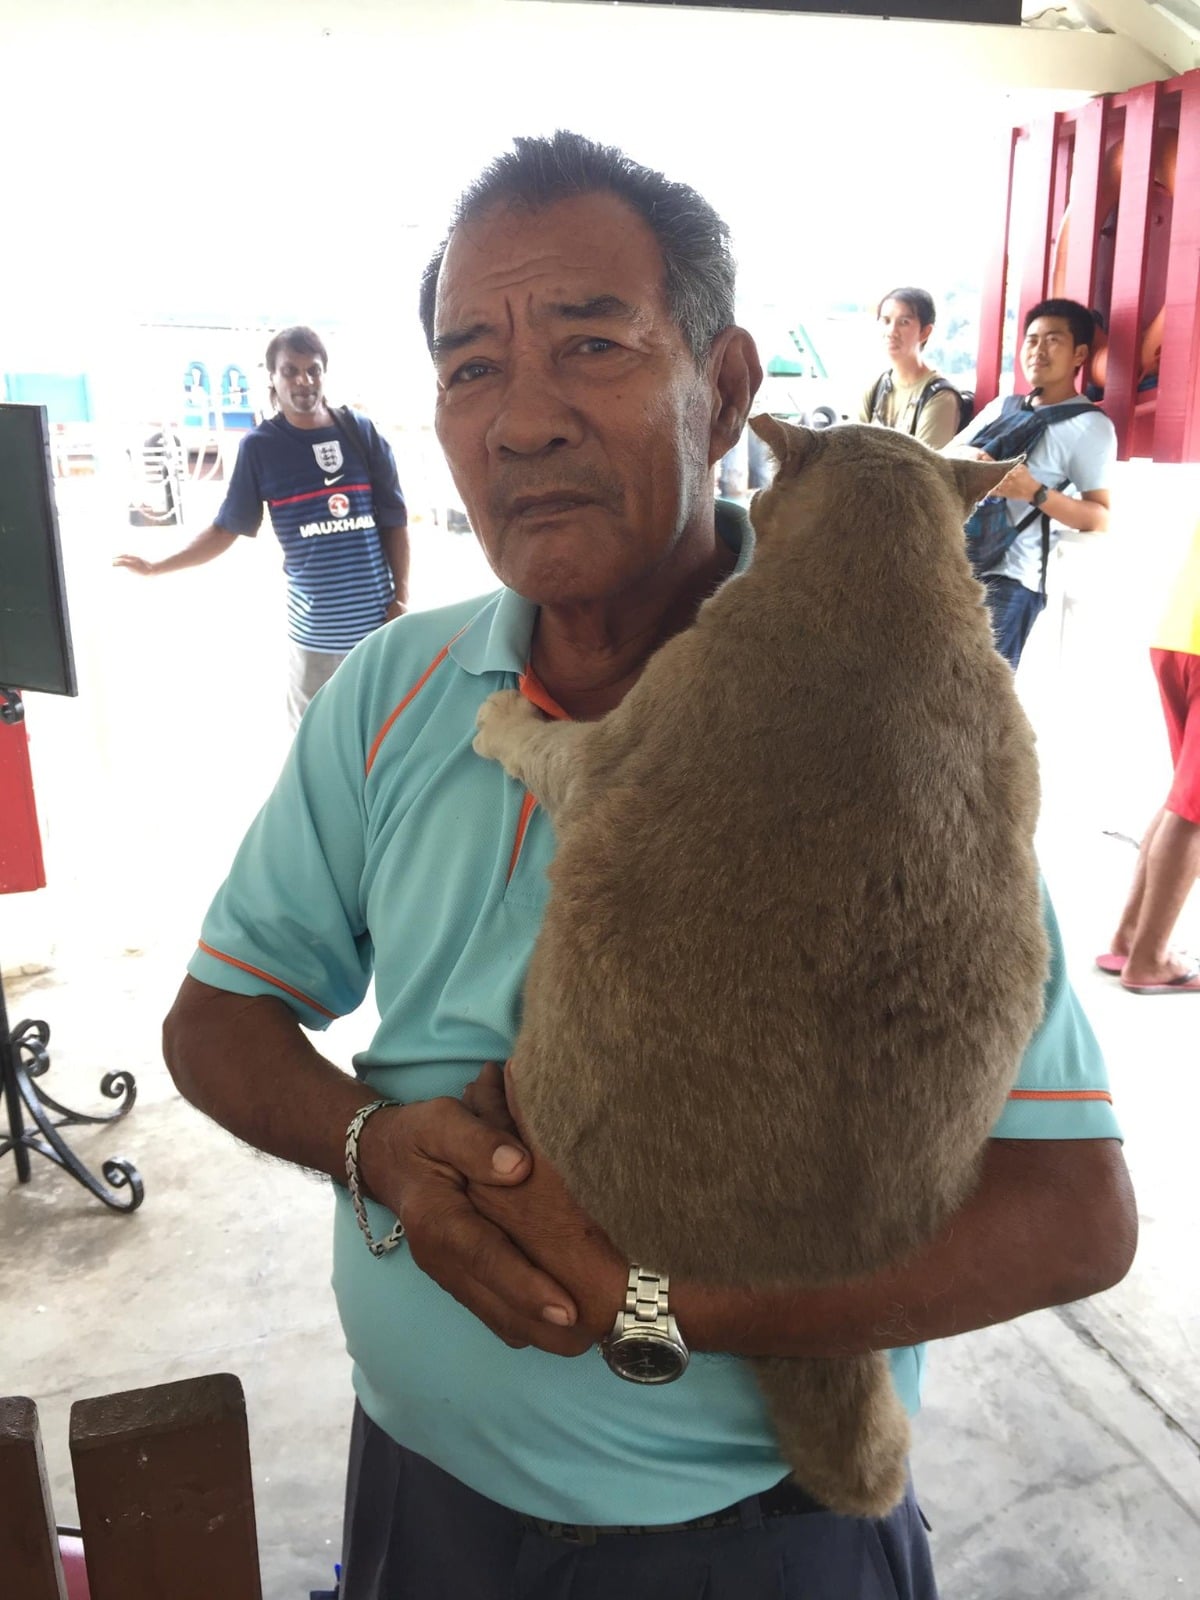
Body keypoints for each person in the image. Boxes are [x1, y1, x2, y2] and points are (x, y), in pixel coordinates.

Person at [160, 133, 1135, 1600]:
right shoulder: (393, 691)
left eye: (592, 346)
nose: (521, 422)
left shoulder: (892, 725)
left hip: (757, 1551)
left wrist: (663, 1303)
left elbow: (1077, 1215)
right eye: (469, 366)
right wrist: (378, 1151)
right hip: (421, 1506)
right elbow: (214, 1023)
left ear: (726, 391)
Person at [114, 326, 410, 729]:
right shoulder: (261, 448)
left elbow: (394, 520)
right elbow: (225, 529)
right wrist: (158, 566)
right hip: (315, 640)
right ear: (272, 377)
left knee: (387, 738)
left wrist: (402, 599)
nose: (303, 381)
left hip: (377, 633)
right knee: (316, 746)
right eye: (290, 371)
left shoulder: (360, 433)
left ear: (325, 373)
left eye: (313, 370)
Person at [946, 298, 1116, 670]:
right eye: (1032, 339)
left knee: (978, 700)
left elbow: (1098, 517)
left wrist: (1033, 491)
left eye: (1053, 340)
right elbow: (947, 453)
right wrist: (970, 459)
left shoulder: (1091, 427)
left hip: (1011, 578)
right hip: (951, 563)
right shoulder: (1002, 407)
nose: (1038, 350)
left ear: (1079, 353)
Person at [1099, 518, 1200, 992]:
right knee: (1193, 809)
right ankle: (1150, 961)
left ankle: (1129, 938)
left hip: (1179, 633)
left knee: (1184, 796)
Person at [858, 288, 962, 449]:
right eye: (886, 321)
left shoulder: (940, 397)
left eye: (904, 322)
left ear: (925, 332)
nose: (891, 332)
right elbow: (851, 448)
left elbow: (924, 467)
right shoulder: (875, 387)